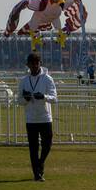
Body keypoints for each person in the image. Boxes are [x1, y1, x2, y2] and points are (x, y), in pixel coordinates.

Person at [19, 52, 57, 181]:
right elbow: (19, 101)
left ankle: (40, 163)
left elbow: (54, 98)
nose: (34, 66)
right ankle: (37, 173)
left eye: (37, 63)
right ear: (28, 65)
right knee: (33, 147)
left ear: (40, 63)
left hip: (45, 117)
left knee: (47, 144)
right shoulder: (24, 80)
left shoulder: (47, 79)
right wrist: (26, 99)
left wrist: (44, 97)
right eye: (32, 64)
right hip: (31, 118)